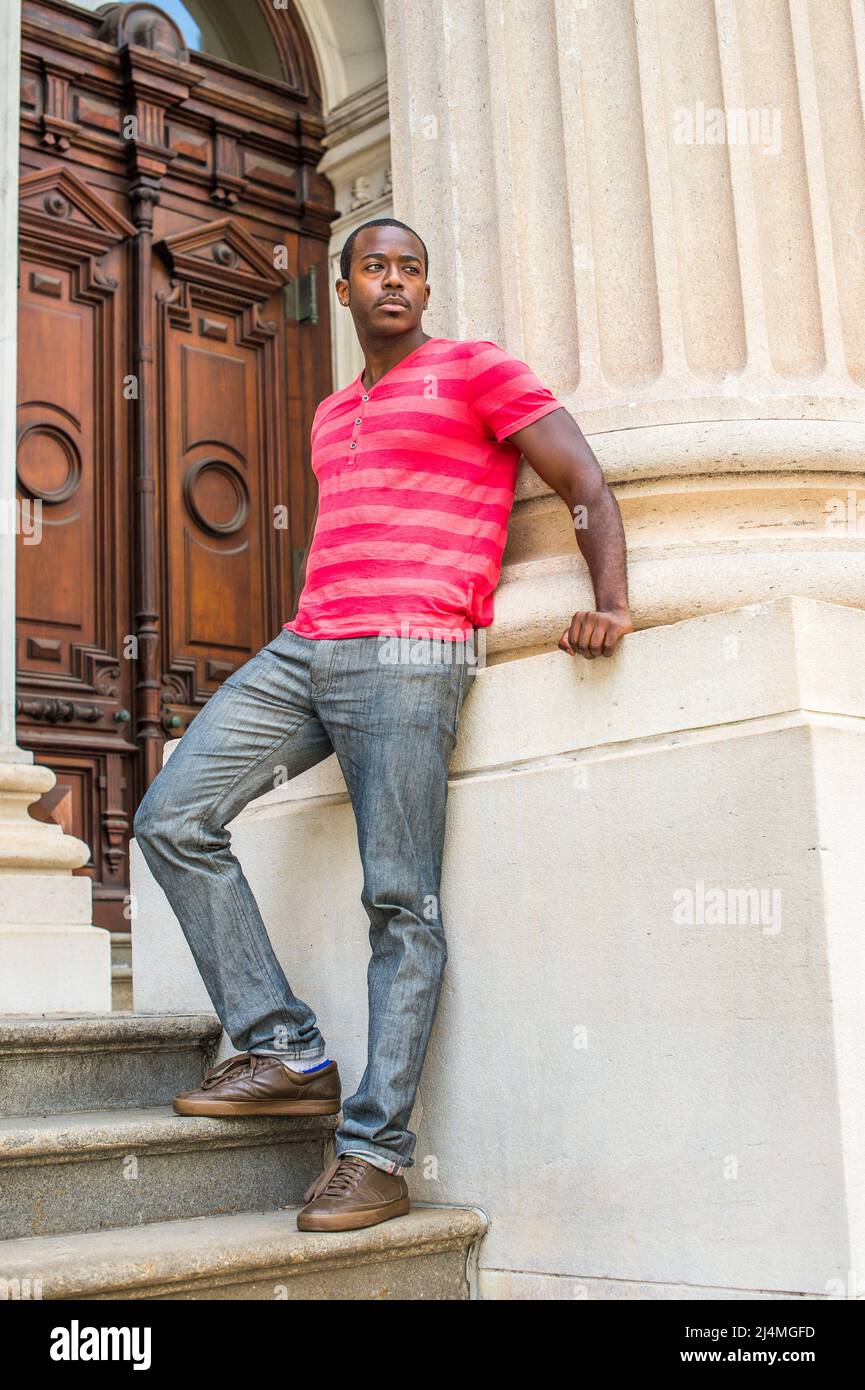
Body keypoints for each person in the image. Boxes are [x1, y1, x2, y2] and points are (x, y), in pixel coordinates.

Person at [133, 217, 633, 1233]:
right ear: (346, 290)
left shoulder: (477, 371)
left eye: (410, 268)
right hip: (308, 647)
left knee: (401, 902)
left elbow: (582, 481)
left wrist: (612, 599)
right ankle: (282, 1045)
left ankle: (376, 1154)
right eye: (375, 268)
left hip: (412, 651)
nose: (393, 280)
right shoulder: (330, 413)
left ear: (425, 291)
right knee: (170, 816)